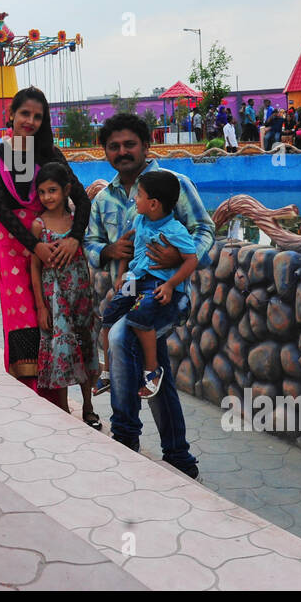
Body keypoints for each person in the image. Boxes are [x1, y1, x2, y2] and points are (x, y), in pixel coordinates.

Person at [83, 113, 212, 478]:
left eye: (130, 144)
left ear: (145, 146)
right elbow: (90, 243)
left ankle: (126, 436)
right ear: (105, 152)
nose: (122, 152)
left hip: (165, 295)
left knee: (122, 338)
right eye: (114, 146)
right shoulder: (103, 199)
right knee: (152, 369)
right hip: (128, 291)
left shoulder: (174, 184)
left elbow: (204, 229)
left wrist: (177, 257)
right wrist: (109, 251)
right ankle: (178, 455)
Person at [0, 87, 90, 398]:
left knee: (52, 322)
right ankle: (32, 399)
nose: (30, 121)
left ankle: (57, 403)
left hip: (52, 249)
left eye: (38, 116)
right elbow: (1, 211)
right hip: (15, 248)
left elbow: (82, 200)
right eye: (25, 114)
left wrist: (74, 238)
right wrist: (35, 246)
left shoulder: (50, 155)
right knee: (25, 323)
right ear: (11, 115)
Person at [99, 170, 200, 399]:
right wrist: (121, 275)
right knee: (109, 316)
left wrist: (171, 285)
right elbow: (130, 247)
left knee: (140, 317)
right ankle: (107, 371)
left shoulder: (175, 230)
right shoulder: (140, 221)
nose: (135, 199)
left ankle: (152, 370)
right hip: (135, 279)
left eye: (139, 195)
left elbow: (191, 260)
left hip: (157, 282)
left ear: (153, 204)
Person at [29, 161, 101, 427]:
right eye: (42, 192)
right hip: (55, 298)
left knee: (85, 345)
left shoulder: (76, 224)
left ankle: (88, 406)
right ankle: (63, 408)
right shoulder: (39, 226)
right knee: (61, 349)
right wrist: (41, 306)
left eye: (53, 191)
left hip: (80, 296)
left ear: (66, 190)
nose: (47, 197)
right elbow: (34, 267)